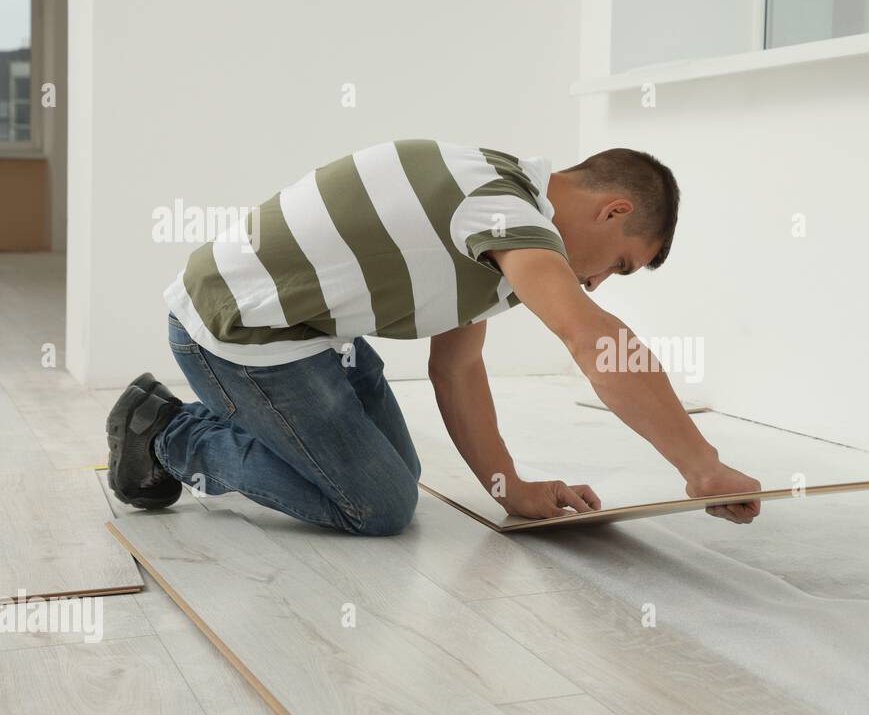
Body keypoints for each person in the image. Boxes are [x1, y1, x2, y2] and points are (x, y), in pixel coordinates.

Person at [106, 140, 761, 535]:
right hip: (234, 333)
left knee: (403, 475)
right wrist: (700, 464)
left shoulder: (499, 201)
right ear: (613, 210)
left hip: (312, 332)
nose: (597, 283)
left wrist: (511, 488)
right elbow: (593, 340)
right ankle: (170, 435)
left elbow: (457, 367)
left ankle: (217, 423)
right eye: (618, 263)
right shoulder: (504, 212)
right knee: (380, 506)